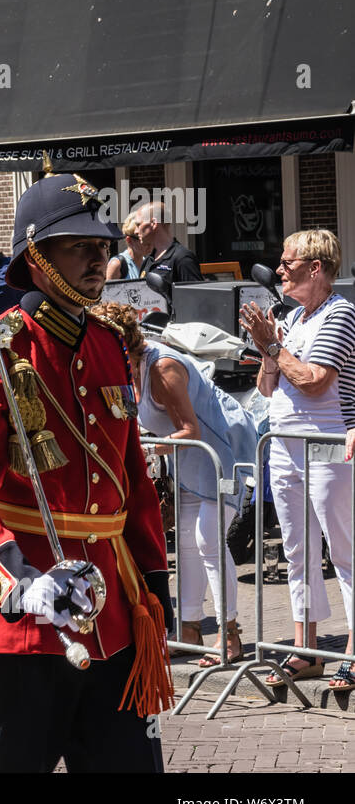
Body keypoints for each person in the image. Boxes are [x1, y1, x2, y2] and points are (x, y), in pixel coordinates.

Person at [0, 173, 173, 773]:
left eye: (101, 247)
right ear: (36, 257)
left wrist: (151, 581)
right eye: (79, 247)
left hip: (113, 614)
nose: (99, 260)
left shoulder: (108, 342)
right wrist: (19, 583)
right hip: (21, 616)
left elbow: (133, 481)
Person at [93, 301, 255, 668]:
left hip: (221, 454)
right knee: (184, 545)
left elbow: (190, 430)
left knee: (209, 542)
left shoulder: (163, 368)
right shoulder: (125, 366)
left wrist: (142, 444)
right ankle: (189, 631)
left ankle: (230, 635)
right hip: (188, 465)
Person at [240, 228, 355, 691]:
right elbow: (268, 388)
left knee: (344, 551)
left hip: (328, 445)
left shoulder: (341, 313)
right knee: (297, 551)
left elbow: (314, 381)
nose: (280, 269)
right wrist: (267, 345)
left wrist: (272, 345)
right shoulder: (293, 318)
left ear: (316, 268)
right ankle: (305, 650)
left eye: (288, 262)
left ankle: (352, 649)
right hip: (285, 447)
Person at [136, 202, 203, 283]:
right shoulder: (148, 260)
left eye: (138, 224)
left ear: (153, 223)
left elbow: (196, 294)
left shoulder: (182, 259)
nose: (136, 231)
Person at [105, 211, 147, 281]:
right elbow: (108, 291)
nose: (147, 242)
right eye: (141, 238)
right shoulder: (116, 265)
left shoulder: (146, 262)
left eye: (147, 237)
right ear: (129, 240)